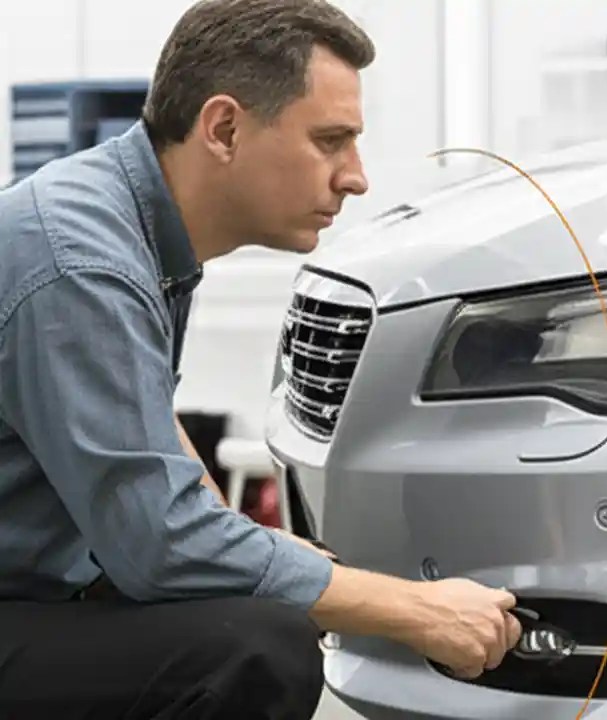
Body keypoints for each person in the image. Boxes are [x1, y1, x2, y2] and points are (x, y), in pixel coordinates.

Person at [0, 1, 521, 717]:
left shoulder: (130, 230)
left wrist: (284, 563)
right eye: (331, 141)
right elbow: (162, 545)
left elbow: (149, 431)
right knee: (257, 650)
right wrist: (418, 610)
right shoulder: (82, 263)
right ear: (224, 129)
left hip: (32, 591)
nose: (356, 177)